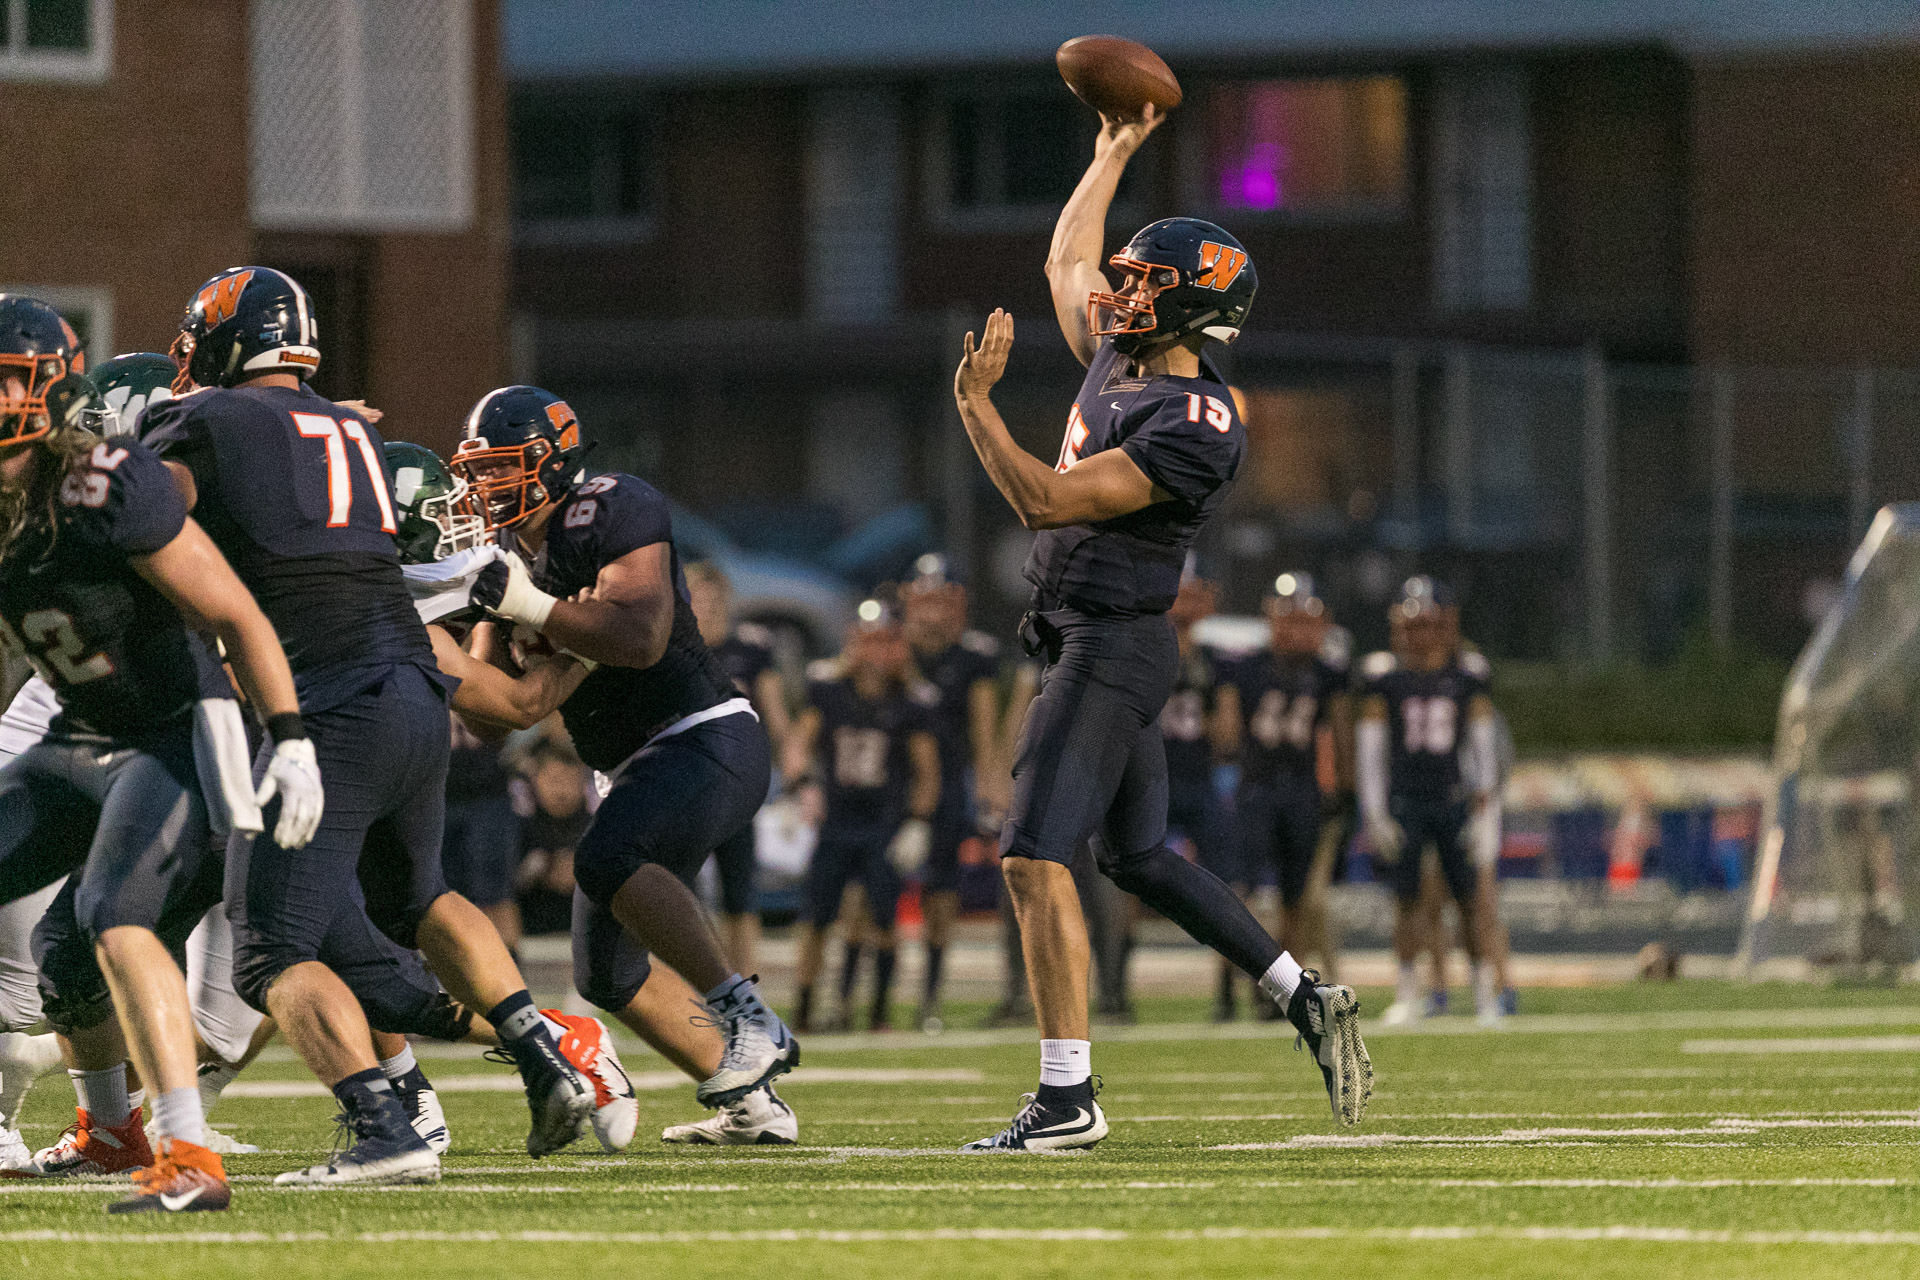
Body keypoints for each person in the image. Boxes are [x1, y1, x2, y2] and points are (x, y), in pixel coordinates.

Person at [950, 107, 1370, 1151]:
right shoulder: (1124, 361)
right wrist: (1113, 149)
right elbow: (1066, 255)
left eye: (1144, 285)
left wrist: (977, 409)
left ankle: (1066, 1095)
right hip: (1084, 637)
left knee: (1032, 854)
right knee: (1133, 854)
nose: (1118, 293)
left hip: (1110, 643)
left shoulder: (1197, 422)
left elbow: (1046, 500)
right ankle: (1303, 993)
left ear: (1191, 308)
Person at [142, 269, 593, 1186]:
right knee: (415, 898)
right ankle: (549, 1057)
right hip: (415, 689)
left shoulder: (211, 422)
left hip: (328, 704)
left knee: (268, 953)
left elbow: (140, 510)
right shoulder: (349, 426)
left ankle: (382, 1127)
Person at [0, 295, 323, 1213]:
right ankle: (121, 1132)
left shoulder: (103, 482)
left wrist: (290, 736)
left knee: (112, 912)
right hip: (81, 734)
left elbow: (234, 612)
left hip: (185, 727)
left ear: (52, 389)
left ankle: (188, 1154)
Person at [388, 435, 795, 1148]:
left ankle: (749, 1017)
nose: (482, 488)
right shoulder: (499, 558)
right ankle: (757, 1112)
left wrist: (532, 609)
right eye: (474, 474)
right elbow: (496, 719)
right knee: (606, 974)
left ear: (550, 459)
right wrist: (494, 650)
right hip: (632, 767)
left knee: (607, 859)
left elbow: (640, 637)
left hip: (702, 732)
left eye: (498, 468)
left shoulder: (608, 509)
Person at [785, 600, 941, 1033]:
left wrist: (918, 822)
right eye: (866, 641)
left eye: (882, 642)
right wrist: (801, 788)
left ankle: (877, 1011)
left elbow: (927, 772)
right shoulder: (828, 688)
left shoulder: (912, 699)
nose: (873, 653)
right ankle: (803, 1010)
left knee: (883, 920)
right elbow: (799, 745)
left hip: (883, 823)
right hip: (836, 819)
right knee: (816, 920)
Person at [1357, 575, 1507, 1027]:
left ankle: (1485, 994)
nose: (1421, 634)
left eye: (1429, 624)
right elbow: (1371, 751)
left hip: (1454, 797)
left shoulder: (1468, 675)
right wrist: (1375, 811)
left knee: (1469, 901)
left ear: (1447, 624)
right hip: (1406, 799)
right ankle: (1408, 993)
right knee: (1406, 901)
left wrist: (1488, 811)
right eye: (1414, 624)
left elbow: (1483, 749)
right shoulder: (1384, 678)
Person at [1217, 573, 1353, 1012]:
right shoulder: (1245, 667)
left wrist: (1345, 791)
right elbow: (1228, 734)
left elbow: (1342, 733)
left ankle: (1280, 988)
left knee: (1294, 897)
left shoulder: (1328, 673)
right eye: (1289, 618)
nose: (1297, 629)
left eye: (1306, 620)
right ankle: (1228, 984)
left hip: (1301, 791)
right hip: (1256, 787)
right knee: (1241, 891)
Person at [899, 554, 1003, 1032]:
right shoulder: (892, 650)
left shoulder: (973, 657)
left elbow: (983, 735)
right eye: (924, 599)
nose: (932, 611)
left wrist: (988, 795)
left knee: (941, 891)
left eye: (942, 600)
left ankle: (930, 993)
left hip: (945, 791)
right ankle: (867, 997)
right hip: (890, 786)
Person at [685, 560, 792, 977]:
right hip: (683, 783)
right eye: (699, 597)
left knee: (739, 889)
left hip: (735, 784)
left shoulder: (749, 649)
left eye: (715, 598)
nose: (708, 607)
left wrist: (795, 770)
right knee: (683, 890)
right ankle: (697, 977)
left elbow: (777, 717)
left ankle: (745, 983)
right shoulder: (673, 645)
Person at [1159, 566, 1232, 1021]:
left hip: (1198, 781)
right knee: (1122, 883)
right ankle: (1113, 990)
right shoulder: (1144, 651)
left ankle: (1227, 991)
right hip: (1149, 781)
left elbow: (1226, 738)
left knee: (1223, 886)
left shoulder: (1216, 661)